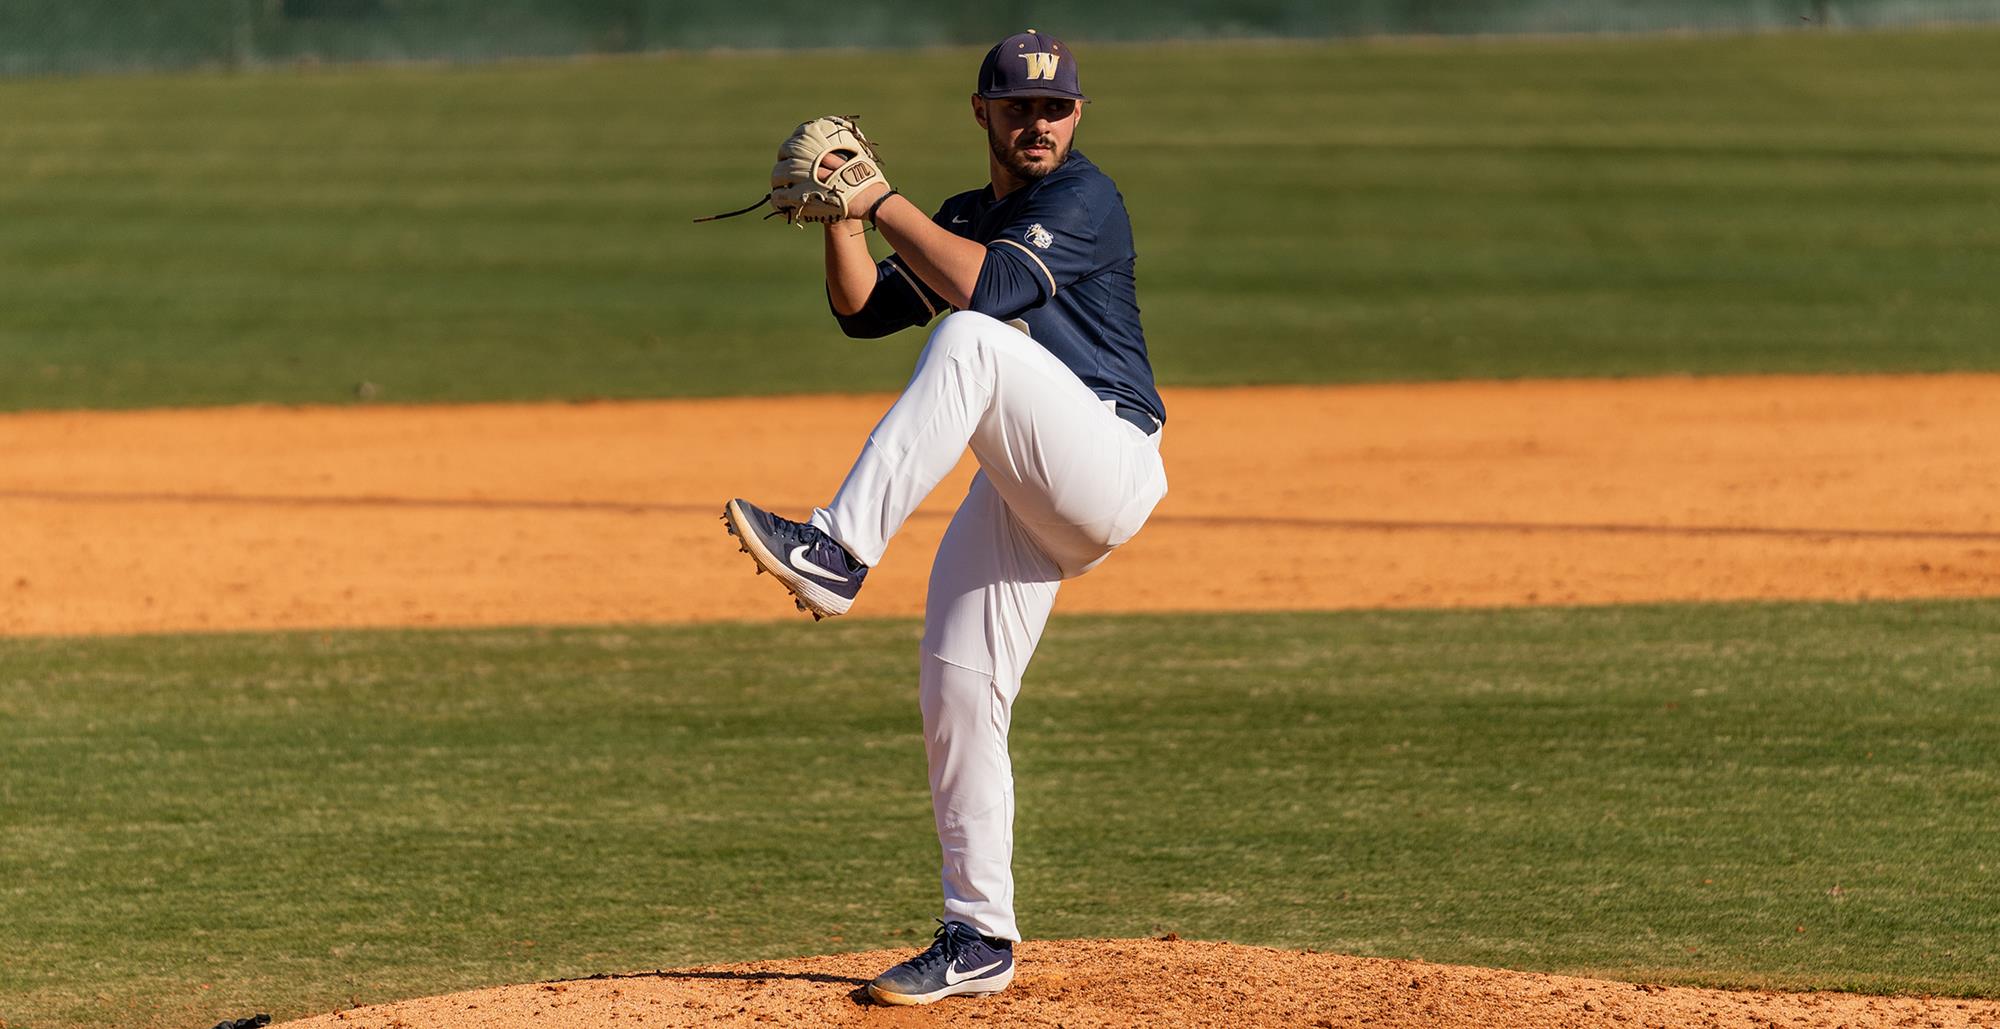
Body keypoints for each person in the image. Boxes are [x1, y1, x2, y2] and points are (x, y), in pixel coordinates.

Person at [721, 28, 1167, 1007]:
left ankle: (837, 549)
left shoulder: (1083, 197)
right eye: (1019, 108)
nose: (1038, 124)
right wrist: (845, 217)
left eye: (1054, 108)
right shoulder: (967, 215)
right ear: (982, 114)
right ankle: (979, 935)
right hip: (1024, 489)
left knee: (970, 334)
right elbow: (864, 311)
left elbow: (988, 290)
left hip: (1105, 461)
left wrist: (883, 199)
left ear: (1076, 116)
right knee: (956, 690)